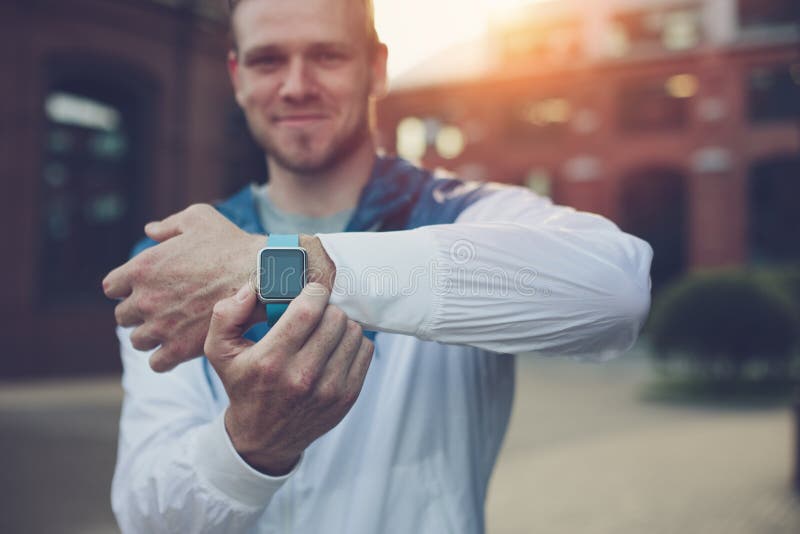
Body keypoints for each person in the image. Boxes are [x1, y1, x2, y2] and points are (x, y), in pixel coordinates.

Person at [102, 0, 653, 532]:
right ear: (238, 75)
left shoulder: (462, 214)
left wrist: (285, 265)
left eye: (327, 55)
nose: (295, 85)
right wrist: (248, 446)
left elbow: (616, 293)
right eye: (268, 60)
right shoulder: (175, 273)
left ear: (377, 68)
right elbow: (147, 518)